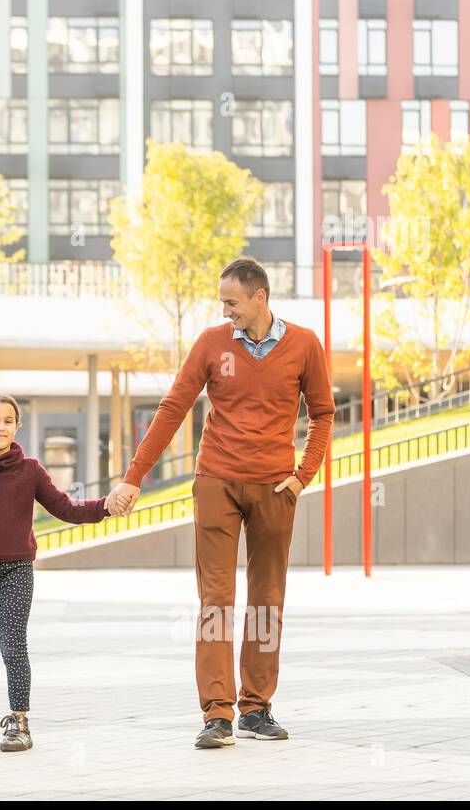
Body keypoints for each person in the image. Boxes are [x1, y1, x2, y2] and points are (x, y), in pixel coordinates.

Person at [107, 257, 334, 749]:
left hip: (276, 488)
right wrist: (133, 477)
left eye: (231, 302)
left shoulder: (304, 345)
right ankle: (217, 713)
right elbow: (173, 409)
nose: (225, 310)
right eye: (222, 302)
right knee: (216, 600)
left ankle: (257, 707)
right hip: (216, 483)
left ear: (260, 297)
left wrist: (301, 478)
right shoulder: (211, 344)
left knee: (267, 600)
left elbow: (322, 414)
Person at [0, 394, 116, 752]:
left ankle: (19, 723)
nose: (0, 426)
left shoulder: (31, 469)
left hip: (18, 569)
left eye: (7, 420)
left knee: (14, 644)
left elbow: (64, 507)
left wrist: (105, 507)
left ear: (17, 426)